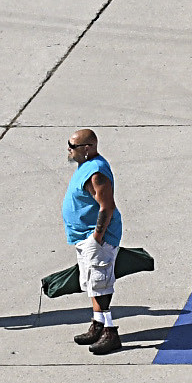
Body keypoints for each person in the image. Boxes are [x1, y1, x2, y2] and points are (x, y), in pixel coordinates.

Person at [62, 128, 123, 354]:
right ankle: (97, 325)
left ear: (87, 148)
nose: (69, 149)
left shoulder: (96, 172)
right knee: (91, 283)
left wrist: (96, 240)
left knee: (101, 283)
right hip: (84, 237)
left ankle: (110, 332)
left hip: (98, 238)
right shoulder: (84, 166)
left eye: (73, 146)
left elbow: (107, 207)